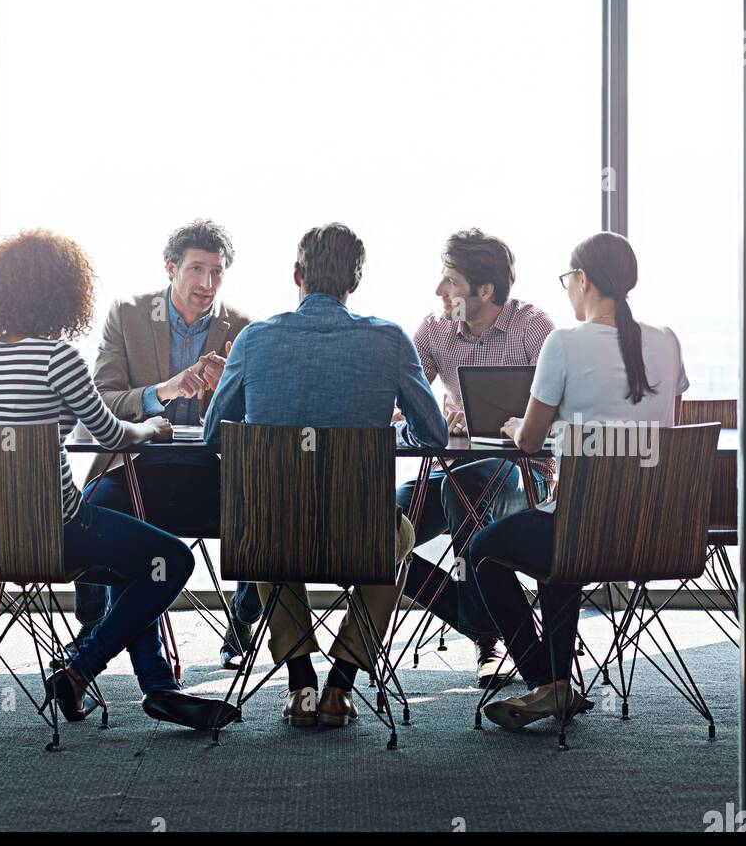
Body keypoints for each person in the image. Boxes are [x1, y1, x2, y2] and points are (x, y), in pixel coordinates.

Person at [0, 228, 236, 731]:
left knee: (138, 565)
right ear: (63, 293)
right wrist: (154, 423)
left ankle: (156, 688)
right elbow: (110, 430)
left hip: (1, 529)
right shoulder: (58, 356)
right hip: (64, 527)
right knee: (170, 560)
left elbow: (36, 428)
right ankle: (81, 669)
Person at [204, 222, 448, 731]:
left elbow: (213, 435)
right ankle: (341, 683)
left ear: (297, 274)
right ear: (353, 285)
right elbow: (435, 436)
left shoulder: (253, 339)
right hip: (358, 535)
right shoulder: (390, 340)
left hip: (273, 537)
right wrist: (386, 439)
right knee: (397, 534)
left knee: (264, 522)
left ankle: (300, 685)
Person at [471, 231, 689, 731]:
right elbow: (663, 430)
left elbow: (528, 441)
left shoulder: (564, 344)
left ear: (583, 279)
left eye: (568, 279)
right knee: (557, 538)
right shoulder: (667, 341)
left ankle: (547, 681)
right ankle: (554, 684)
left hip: (581, 532)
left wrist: (512, 427)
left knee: (483, 551)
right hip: (655, 530)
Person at [77, 219, 262, 669]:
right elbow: (100, 400)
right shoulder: (127, 314)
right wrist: (163, 391)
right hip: (136, 468)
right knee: (88, 510)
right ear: (170, 268)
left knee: (266, 511)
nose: (207, 283)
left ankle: (242, 619)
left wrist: (225, 394)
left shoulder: (244, 328)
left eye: (217, 272)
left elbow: (260, 422)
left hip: (209, 470)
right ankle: (95, 625)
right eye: (196, 269)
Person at [396, 228, 555, 687]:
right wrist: (432, 420)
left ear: (484, 291)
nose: (438, 290)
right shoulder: (434, 329)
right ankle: (481, 619)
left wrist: (512, 422)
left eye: (450, 281)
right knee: (370, 530)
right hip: (450, 475)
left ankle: (490, 638)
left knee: (465, 488)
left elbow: (564, 412)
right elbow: (400, 402)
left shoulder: (534, 328)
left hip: (527, 478)